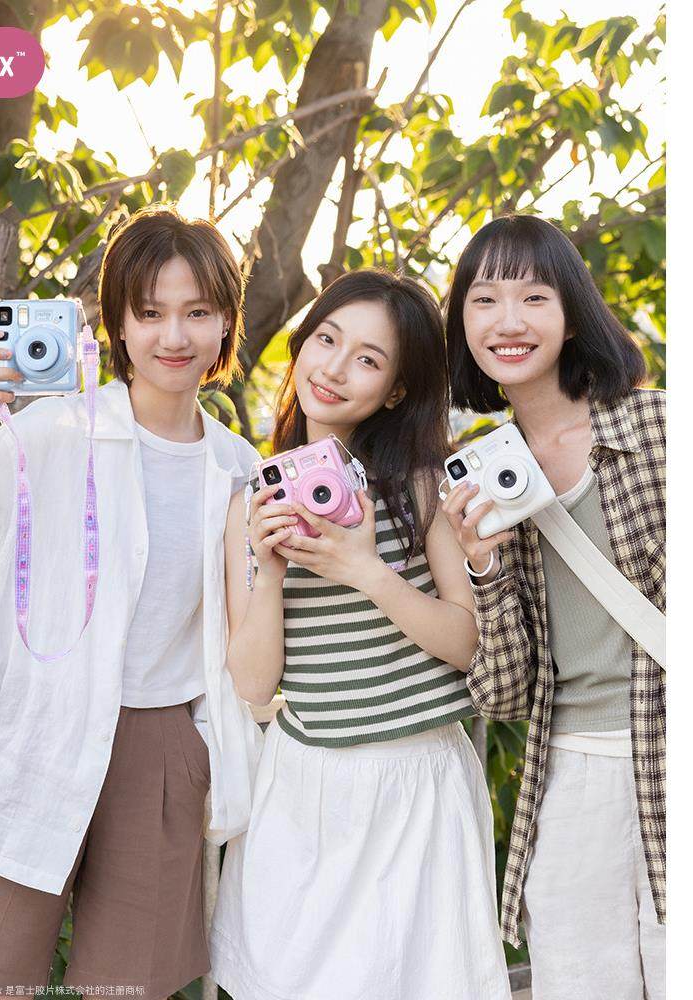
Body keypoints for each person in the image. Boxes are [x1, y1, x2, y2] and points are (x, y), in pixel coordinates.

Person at [0, 205, 262, 999]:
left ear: (225, 325)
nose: (173, 336)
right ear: (117, 327)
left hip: (160, 745)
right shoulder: (53, 431)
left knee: (127, 991)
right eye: (150, 312)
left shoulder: (239, 468)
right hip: (37, 728)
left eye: (197, 312)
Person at [209, 270, 512, 1000]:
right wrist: (268, 572)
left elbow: (470, 644)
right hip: (305, 789)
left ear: (397, 390)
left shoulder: (422, 486)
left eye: (368, 359)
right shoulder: (253, 501)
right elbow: (252, 682)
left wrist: (368, 571)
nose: (335, 369)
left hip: (418, 783)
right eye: (326, 339)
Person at [441, 214, 665, 1000]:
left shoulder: (662, 429)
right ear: (462, 324)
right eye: (484, 300)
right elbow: (502, 694)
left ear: (571, 314)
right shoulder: (478, 477)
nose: (508, 320)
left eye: (534, 297)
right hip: (569, 776)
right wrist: (482, 563)